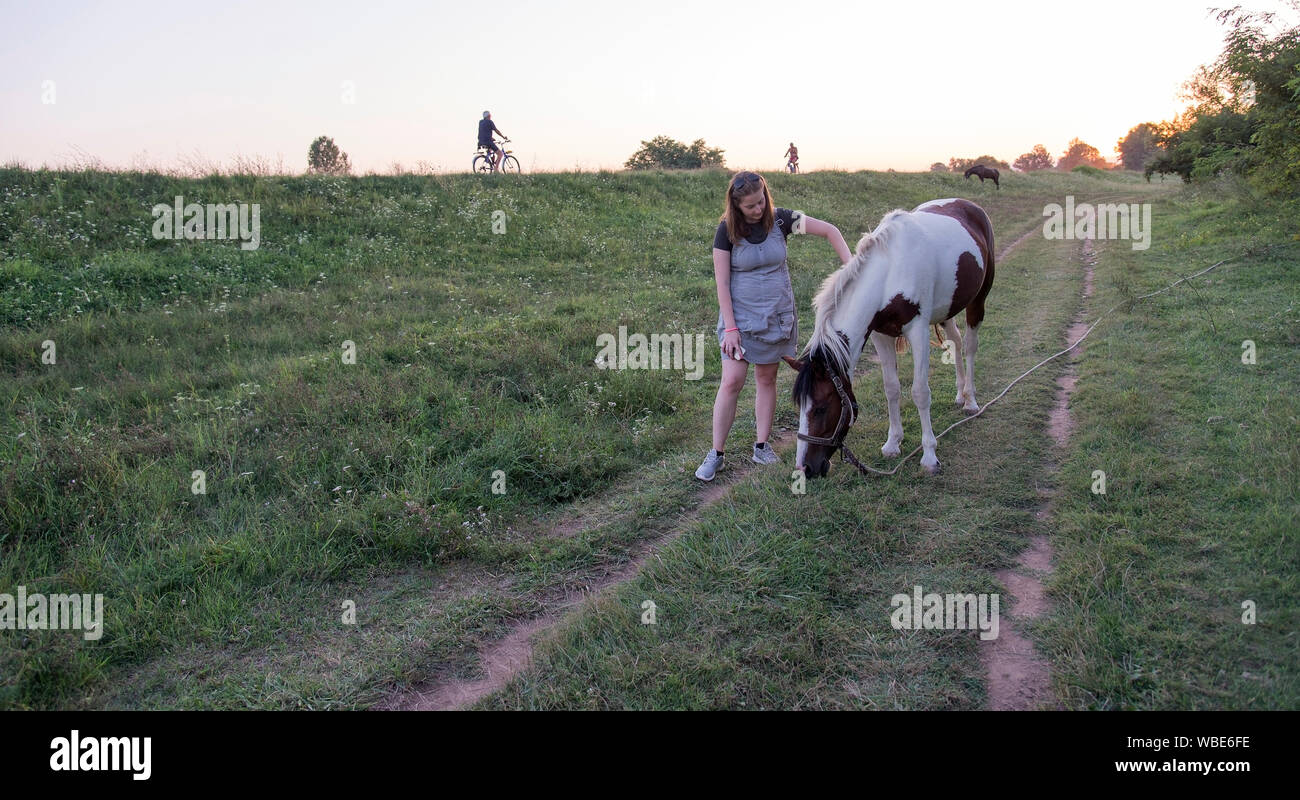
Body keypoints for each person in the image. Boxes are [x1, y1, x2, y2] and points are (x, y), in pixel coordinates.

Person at [695, 171, 851, 481]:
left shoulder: (781, 220)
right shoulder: (726, 230)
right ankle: (716, 454)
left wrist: (853, 268)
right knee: (732, 382)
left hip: (777, 317)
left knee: (767, 379)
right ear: (736, 206)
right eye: (750, 206)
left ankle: (762, 446)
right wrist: (730, 327)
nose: (758, 209)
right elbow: (722, 283)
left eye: (761, 201)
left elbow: (830, 231)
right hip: (740, 320)